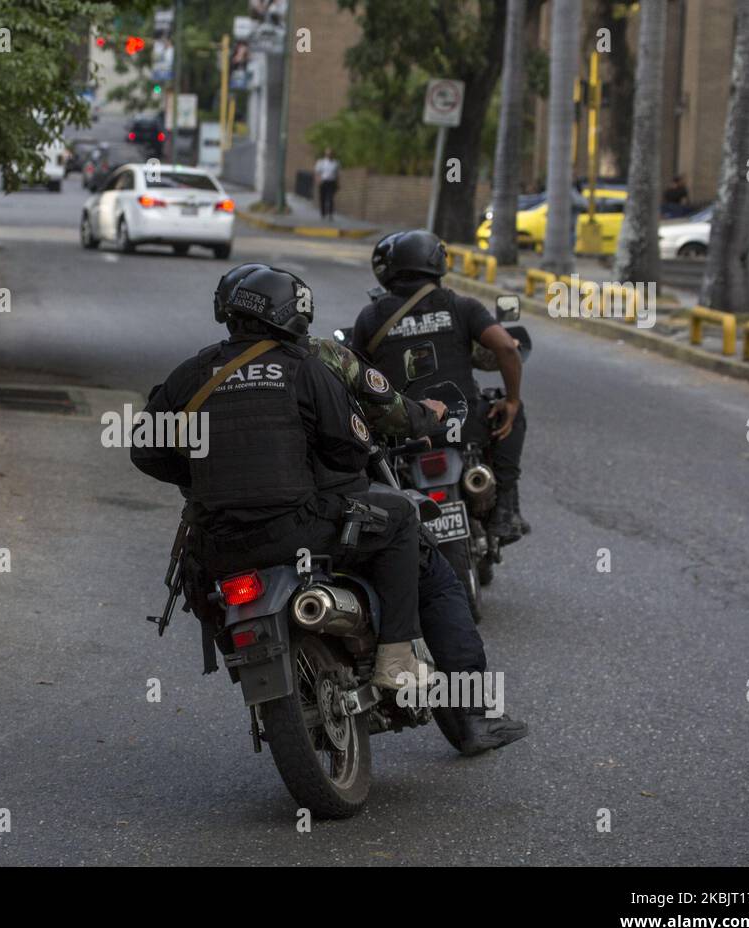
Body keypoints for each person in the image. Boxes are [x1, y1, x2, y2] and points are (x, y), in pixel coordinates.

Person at [132, 265, 428, 694]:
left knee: (202, 579)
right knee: (400, 515)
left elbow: (145, 451)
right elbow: (349, 451)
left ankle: (242, 655)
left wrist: (199, 475)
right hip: (298, 529)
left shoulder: (192, 373)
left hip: (219, 543)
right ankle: (396, 660)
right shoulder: (305, 368)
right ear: (294, 315)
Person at [352, 230, 530, 541]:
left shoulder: (371, 317)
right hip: (463, 425)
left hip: (404, 434)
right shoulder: (462, 307)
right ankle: (505, 510)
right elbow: (505, 348)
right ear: (437, 264)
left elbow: (356, 378)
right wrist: (512, 401)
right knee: (511, 414)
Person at [315, 149, 340, 220]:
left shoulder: (336, 163)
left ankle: (330, 214)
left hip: (332, 182)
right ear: (325, 155)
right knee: (322, 198)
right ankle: (323, 213)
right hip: (323, 182)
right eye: (328, 154)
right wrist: (318, 181)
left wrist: (338, 183)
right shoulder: (321, 162)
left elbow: (337, 174)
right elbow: (317, 173)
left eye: (331, 154)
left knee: (331, 198)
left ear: (333, 154)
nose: (329, 155)